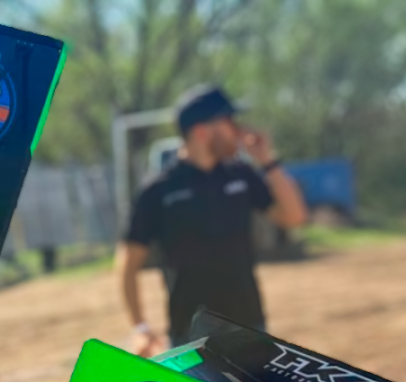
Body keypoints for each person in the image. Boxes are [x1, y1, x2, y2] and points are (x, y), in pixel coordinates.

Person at [117, 84, 309, 356]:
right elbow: (127, 264)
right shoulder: (158, 190)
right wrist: (140, 329)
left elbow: (294, 217)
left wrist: (267, 160)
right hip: (189, 335)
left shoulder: (240, 174)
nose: (239, 131)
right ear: (201, 131)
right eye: (229, 121)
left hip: (250, 328)